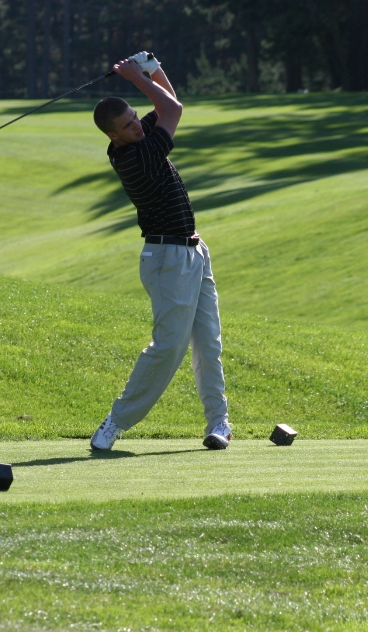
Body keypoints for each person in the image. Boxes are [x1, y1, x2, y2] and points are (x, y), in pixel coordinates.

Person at [89, 52, 232, 452]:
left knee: (209, 342)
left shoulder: (137, 136)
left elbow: (163, 101)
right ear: (113, 136)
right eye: (127, 125)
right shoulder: (135, 155)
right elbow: (172, 109)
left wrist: (152, 68)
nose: (137, 126)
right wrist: (138, 77)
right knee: (168, 347)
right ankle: (115, 422)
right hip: (167, 258)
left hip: (193, 250)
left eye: (136, 119)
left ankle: (219, 423)